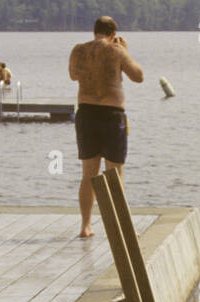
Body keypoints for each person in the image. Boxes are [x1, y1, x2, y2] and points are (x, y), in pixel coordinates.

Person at [68, 16, 144, 238]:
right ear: (113, 34)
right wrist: (125, 52)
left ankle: (85, 225)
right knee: (115, 174)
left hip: (86, 114)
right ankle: (122, 227)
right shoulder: (116, 51)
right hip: (112, 115)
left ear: (95, 32)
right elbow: (138, 76)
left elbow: (73, 75)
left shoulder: (78, 50)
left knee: (89, 175)